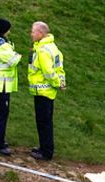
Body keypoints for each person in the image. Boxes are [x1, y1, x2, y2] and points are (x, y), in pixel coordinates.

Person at [27, 21, 65, 161]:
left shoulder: (42, 50)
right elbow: (59, 68)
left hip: (42, 91)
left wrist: (56, 83)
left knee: (43, 122)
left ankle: (46, 152)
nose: (31, 34)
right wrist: (61, 82)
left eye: (33, 31)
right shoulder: (52, 47)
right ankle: (44, 148)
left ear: (40, 34)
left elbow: (48, 72)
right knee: (45, 121)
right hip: (49, 91)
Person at [0, 18, 22, 156]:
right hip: (2, 83)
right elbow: (13, 60)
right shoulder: (1, 44)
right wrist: (17, 54)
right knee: (1, 114)